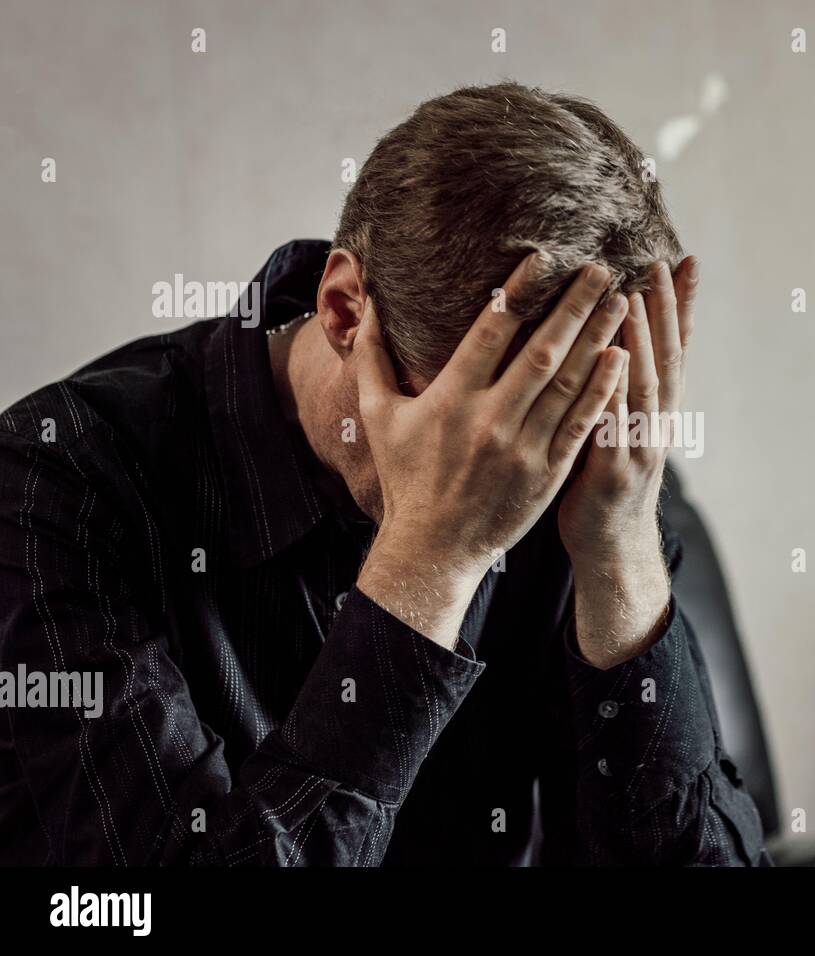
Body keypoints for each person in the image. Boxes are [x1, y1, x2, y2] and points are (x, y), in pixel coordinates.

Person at [0, 83, 769, 866]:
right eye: (493, 426)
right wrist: (429, 560)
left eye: (580, 417)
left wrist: (623, 543)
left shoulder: (593, 468)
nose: (537, 474)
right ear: (343, 312)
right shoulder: (54, 480)